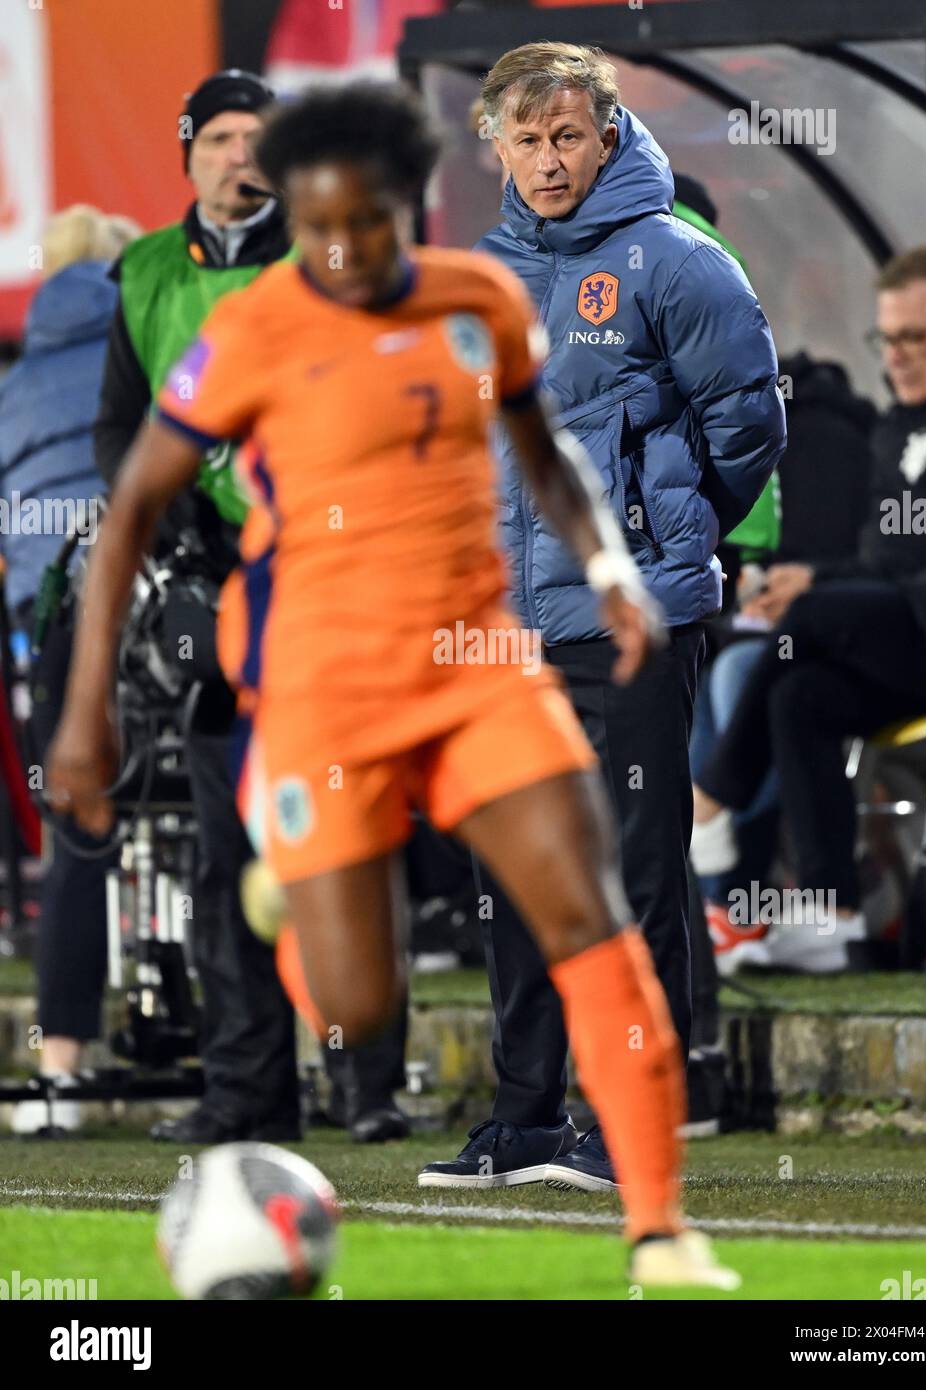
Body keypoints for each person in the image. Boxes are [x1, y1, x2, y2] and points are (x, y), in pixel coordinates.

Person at [45, 80, 738, 1292]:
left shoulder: (477, 300)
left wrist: (608, 566)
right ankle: (294, 878)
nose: (342, 251)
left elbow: (547, 453)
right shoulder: (255, 330)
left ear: (402, 208)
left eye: (366, 224)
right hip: (322, 693)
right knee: (357, 1006)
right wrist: (86, 711)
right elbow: (129, 515)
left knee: (591, 914)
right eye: (316, 226)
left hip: (480, 670)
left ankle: (662, 1233)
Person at [420, 42, 785, 1192]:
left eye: (566, 134)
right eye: (525, 140)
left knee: (636, 871)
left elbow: (750, 426)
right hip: (509, 631)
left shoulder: (678, 259)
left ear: (607, 129)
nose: (547, 160)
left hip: (630, 620)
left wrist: (665, 541)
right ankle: (527, 1115)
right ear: (496, 147)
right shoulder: (477, 272)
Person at [94, 69, 304, 1144]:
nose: (239, 154)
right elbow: (118, 435)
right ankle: (246, 1093)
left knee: (344, 846)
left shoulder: (327, 257)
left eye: (256, 135)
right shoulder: (140, 272)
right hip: (212, 592)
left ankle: (369, 1090)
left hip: (315, 577)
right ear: (188, 152)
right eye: (219, 136)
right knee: (227, 851)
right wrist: (172, 559)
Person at [691, 245, 926, 973]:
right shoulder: (894, 428)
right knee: (800, 696)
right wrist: (809, 576)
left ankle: (710, 796)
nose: (896, 358)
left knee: (805, 624)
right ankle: (834, 915)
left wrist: (824, 597)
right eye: (887, 339)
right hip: (903, 640)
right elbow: (882, 561)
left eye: (916, 338)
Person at [0, 205, 139, 1134]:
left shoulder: (15, 380)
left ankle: (58, 1076)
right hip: (151, 590)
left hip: (52, 613)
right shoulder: (147, 344)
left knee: (76, 831)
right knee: (216, 813)